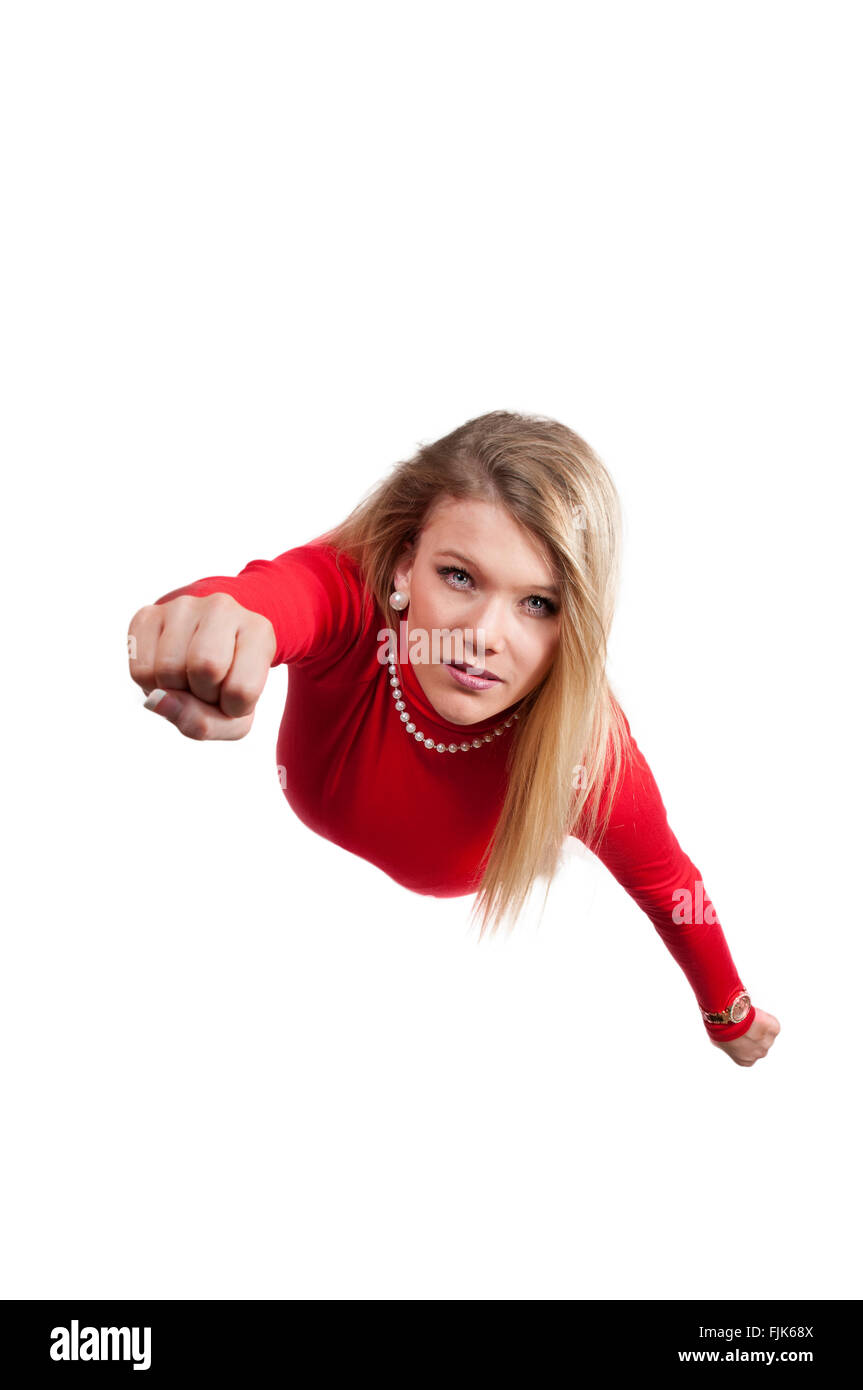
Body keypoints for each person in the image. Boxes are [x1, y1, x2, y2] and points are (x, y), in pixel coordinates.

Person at [128, 410, 780, 1066]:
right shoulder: (356, 596)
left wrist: (727, 1011)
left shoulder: (587, 758)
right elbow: (265, 599)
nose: (484, 635)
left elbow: (671, 886)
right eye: (459, 577)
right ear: (406, 566)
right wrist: (209, 624)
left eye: (538, 604)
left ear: (571, 623)